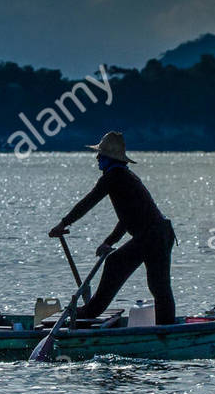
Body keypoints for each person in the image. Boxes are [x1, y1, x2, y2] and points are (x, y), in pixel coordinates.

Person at [48, 132, 176, 325]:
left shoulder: (114, 176)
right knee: (159, 287)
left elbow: (89, 201)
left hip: (153, 235)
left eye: (101, 155)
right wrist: (109, 241)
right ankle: (166, 326)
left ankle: (93, 310)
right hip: (159, 234)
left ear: (110, 158)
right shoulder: (125, 177)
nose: (97, 158)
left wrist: (63, 223)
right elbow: (127, 219)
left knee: (121, 266)